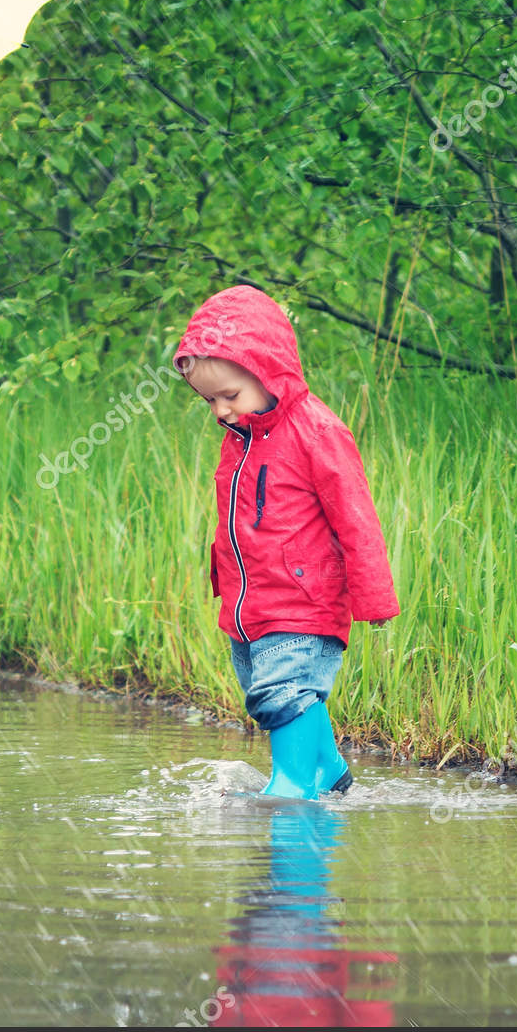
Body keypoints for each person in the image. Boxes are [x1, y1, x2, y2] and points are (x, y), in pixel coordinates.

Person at [172, 285, 399, 799]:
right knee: (271, 688)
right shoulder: (243, 439)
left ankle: (292, 788)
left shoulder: (316, 432)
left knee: (284, 692)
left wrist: (375, 597)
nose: (220, 412)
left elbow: (356, 519)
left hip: (305, 601)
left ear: (268, 371)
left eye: (230, 396)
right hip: (252, 604)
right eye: (209, 400)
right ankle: (328, 768)